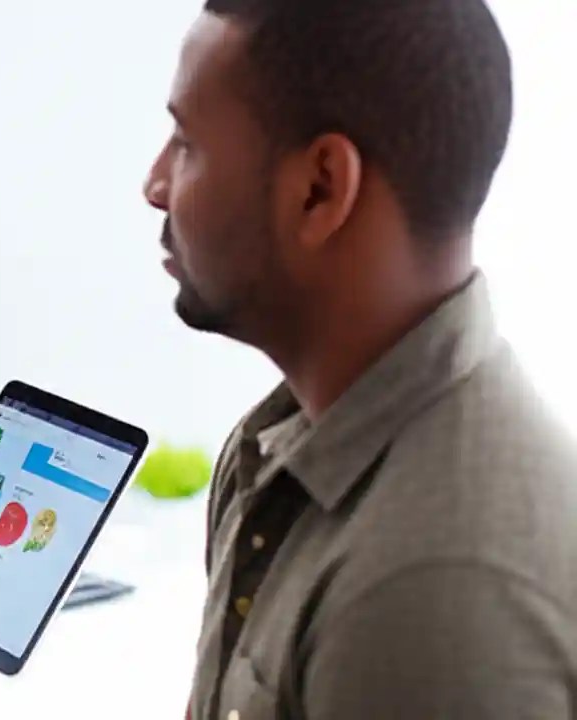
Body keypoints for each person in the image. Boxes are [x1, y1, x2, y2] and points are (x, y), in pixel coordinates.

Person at [143, 0, 577, 718]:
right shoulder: (287, 443)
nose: (155, 184)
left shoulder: (434, 597)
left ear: (321, 188)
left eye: (187, 143)